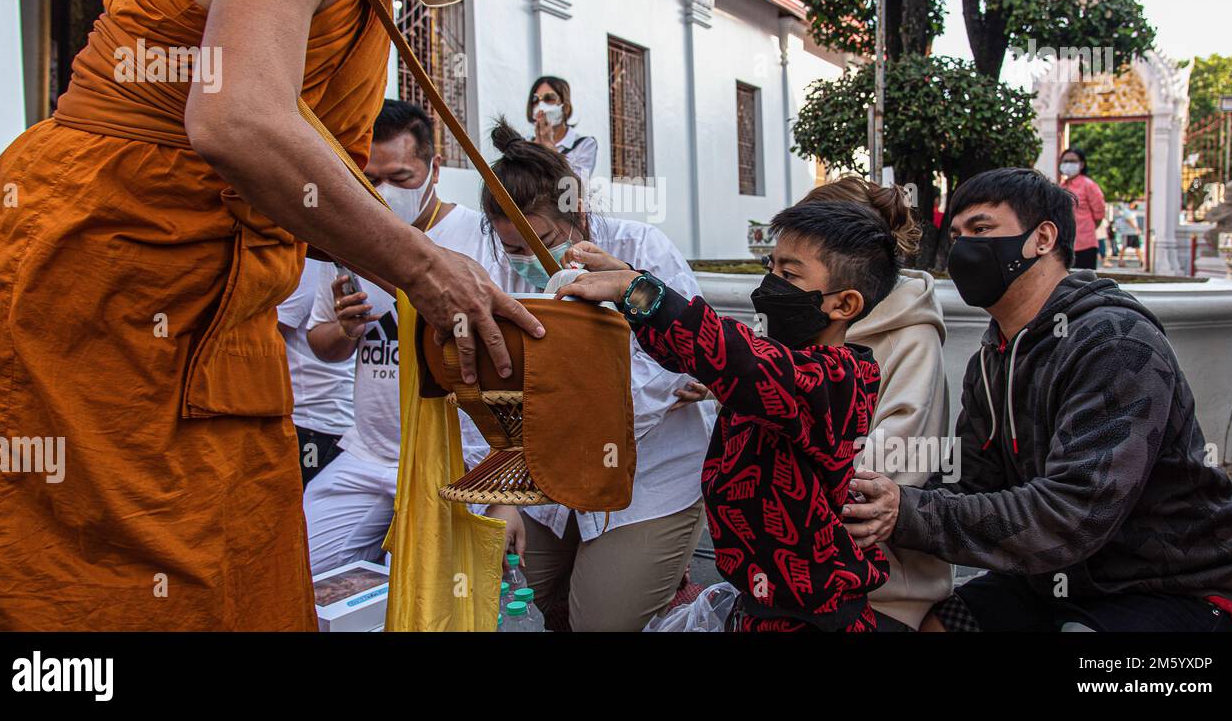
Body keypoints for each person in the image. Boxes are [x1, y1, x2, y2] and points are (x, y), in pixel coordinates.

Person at [0, 0, 543, 630]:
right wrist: (417, 267)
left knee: (238, 569)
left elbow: (304, 189)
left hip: (218, 320)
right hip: (91, 284)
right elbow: (237, 117)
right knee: (82, 584)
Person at [843, 168, 1232, 632]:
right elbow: (972, 481)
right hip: (1054, 578)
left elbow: (1073, 514)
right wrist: (863, 501)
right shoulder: (997, 351)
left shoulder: (1114, 342)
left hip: (1175, 585)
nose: (964, 248)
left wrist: (907, 511)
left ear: (1042, 237)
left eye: (981, 230)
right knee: (941, 624)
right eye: (957, 235)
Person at [558, 200, 898, 631]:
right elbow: (694, 351)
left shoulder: (835, 380)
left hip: (814, 620)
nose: (769, 285)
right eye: (770, 266)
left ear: (845, 304)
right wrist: (626, 280)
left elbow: (732, 355)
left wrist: (635, 288)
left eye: (789, 275)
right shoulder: (781, 357)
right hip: (757, 606)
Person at [481, 121, 710, 632]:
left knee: (601, 622)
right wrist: (501, 498)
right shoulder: (497, 272)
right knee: (489, 595)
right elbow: (492, 396)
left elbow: (682, 365)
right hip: (541, 470)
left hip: (649, 473)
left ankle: (665, 577)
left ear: (578, 213)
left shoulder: (643, 251)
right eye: (512, 247)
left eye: (540, 242)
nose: (526, 260)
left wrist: (565, 400)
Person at [303, 101, 494, 574]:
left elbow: (509, 343)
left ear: (434, 169)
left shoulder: (481, 238)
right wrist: (346, 332)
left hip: (461, 459)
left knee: (450, 593)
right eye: (371, 180)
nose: (384, 192)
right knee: (303, 567)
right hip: (370, 455)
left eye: (401, 177)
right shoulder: (350, 241)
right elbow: (320, 343)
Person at [800, 177, 951, 631]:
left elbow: (887, 469)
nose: (775, 280)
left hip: (881, 592)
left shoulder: (912, 338)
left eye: (792, 266)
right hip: (797, 579)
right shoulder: (804, 320)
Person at [278, 255, 356, 487]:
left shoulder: (309, 263)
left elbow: (265, 333)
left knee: (296, 516)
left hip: (313, 422)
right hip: (328, 421)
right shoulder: (323, 259)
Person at [527, 76, 597, 183]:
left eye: (549, 99)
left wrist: (549, 149)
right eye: (535, 100)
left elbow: (576, 188)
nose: (541, 106)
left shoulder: (585, 144)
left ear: (566, 107)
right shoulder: (526, 143)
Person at [1059, 147, 1105, 270]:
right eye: (1065, 161)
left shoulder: (1089, 185)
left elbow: (1099, 214)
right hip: (1063, 245)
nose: (1068, 164)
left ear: (1082, 164)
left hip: (1085, 244)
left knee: (1085, 283)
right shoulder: (1061, 186)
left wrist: (1086, 229)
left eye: (1073, 161)